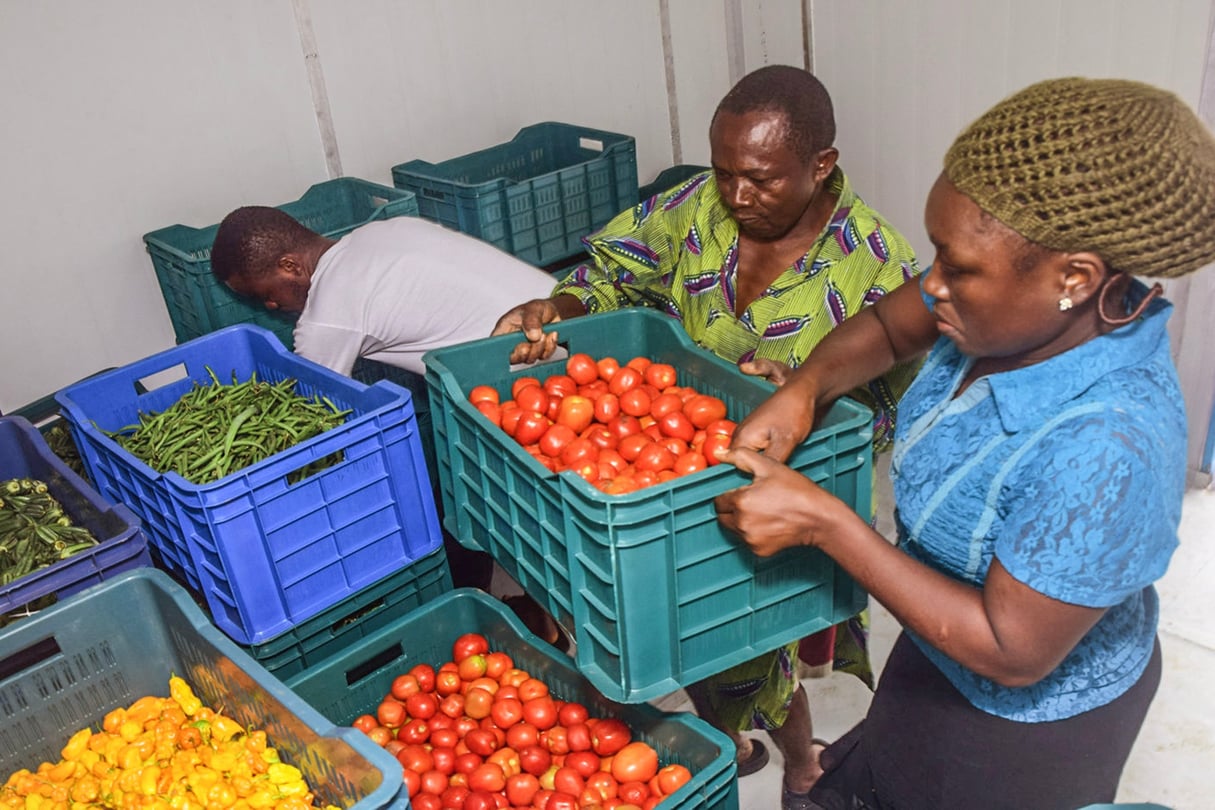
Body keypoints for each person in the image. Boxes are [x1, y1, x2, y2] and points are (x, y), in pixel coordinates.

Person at [714, 76, 1215, 810]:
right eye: (937, 256)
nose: (933, 284)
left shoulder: (1110, 445)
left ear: (1072, 277)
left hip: (1018, 730)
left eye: (956, 268)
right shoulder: (1006, 307)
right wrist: (805, 388)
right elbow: (889, 328)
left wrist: (824, 523)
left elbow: (1011, 651)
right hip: (938, 639)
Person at [491, 64, 920, 808]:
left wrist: (796, 394)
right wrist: (557, 306)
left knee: (759, 642)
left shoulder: (873, 267)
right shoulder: (694, 209)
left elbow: (881, 412)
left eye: (759, 179)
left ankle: (799, 761)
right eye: (723, 173)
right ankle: (745, 738)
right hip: (663, 469)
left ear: (821, 167)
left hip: (775, 495)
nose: (735, 196)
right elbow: (612, 274)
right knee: (685, 635)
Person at [210, 209, 560, 593]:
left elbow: (302, 429)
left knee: (467, 503)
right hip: (571, 312)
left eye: (265, 295)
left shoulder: (327, 317)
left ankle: (489, 605)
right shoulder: (378, 232)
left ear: (290, 265)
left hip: (534, 372)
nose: (271, 307)